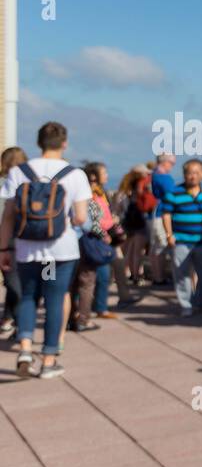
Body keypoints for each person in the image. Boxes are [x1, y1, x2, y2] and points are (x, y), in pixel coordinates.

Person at [0, 122, 91, 379]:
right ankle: (49, 359)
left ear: (39, 142)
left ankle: (26, 348)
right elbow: (82, 217)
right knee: (53, 300)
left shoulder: (19, 172)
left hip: (27, 250)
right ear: (64, 143)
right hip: (56, 253)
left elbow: (8, 216)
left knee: (28, 296)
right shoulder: (74, 174)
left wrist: (4, 248)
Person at [161, 158, 202, 317]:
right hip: (181, 240)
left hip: (201, 241)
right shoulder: (174, 193)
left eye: (195, 173)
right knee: (182, 275)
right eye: (189, 173)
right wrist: (169, 234)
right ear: (184, 174)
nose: (192, 176)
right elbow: (166, 215)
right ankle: (186, 304)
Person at [67, 161, 118, 332]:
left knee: (69, 283)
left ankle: (68, 317)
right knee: (87, 283)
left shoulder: (63, 197)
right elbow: (89, 224)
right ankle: (83, 318)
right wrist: (104, 234)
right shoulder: (88, 200)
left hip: (64, 246)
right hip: (85, 244)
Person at [0, 145, 27, 339]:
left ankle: (12, 320)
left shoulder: (5, 184)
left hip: (7, 244)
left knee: (14, 284)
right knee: (19, 285)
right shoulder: (29, 183)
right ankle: (19, 323)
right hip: (30, 243)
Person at [147, 152, 178, 284]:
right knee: (161, 246)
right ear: (164, 162)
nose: (172, 166)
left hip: (153, 214)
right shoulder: (164, 177)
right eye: (171, 163)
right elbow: (173, 196)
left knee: (155, 247)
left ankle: (156, 275)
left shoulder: (153, 175)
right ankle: (159, 277)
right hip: (161, 215)